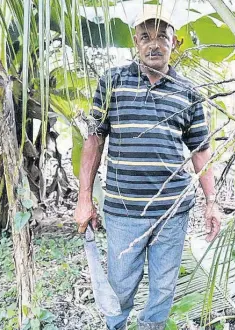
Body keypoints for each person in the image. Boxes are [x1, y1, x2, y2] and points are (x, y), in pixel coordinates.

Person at [74, 5, 222, 330]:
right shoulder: (112, 82)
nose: (153, 44)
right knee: (120, 290)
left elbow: (200, 150)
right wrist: (84, 197)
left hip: (172, 213)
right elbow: (94, 140)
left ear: (175, 43)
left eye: (162, 37)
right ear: (135, 42)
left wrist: (212, 202)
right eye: (145, 37)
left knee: (163, 290)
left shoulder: (189, 93)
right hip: (124, 212)